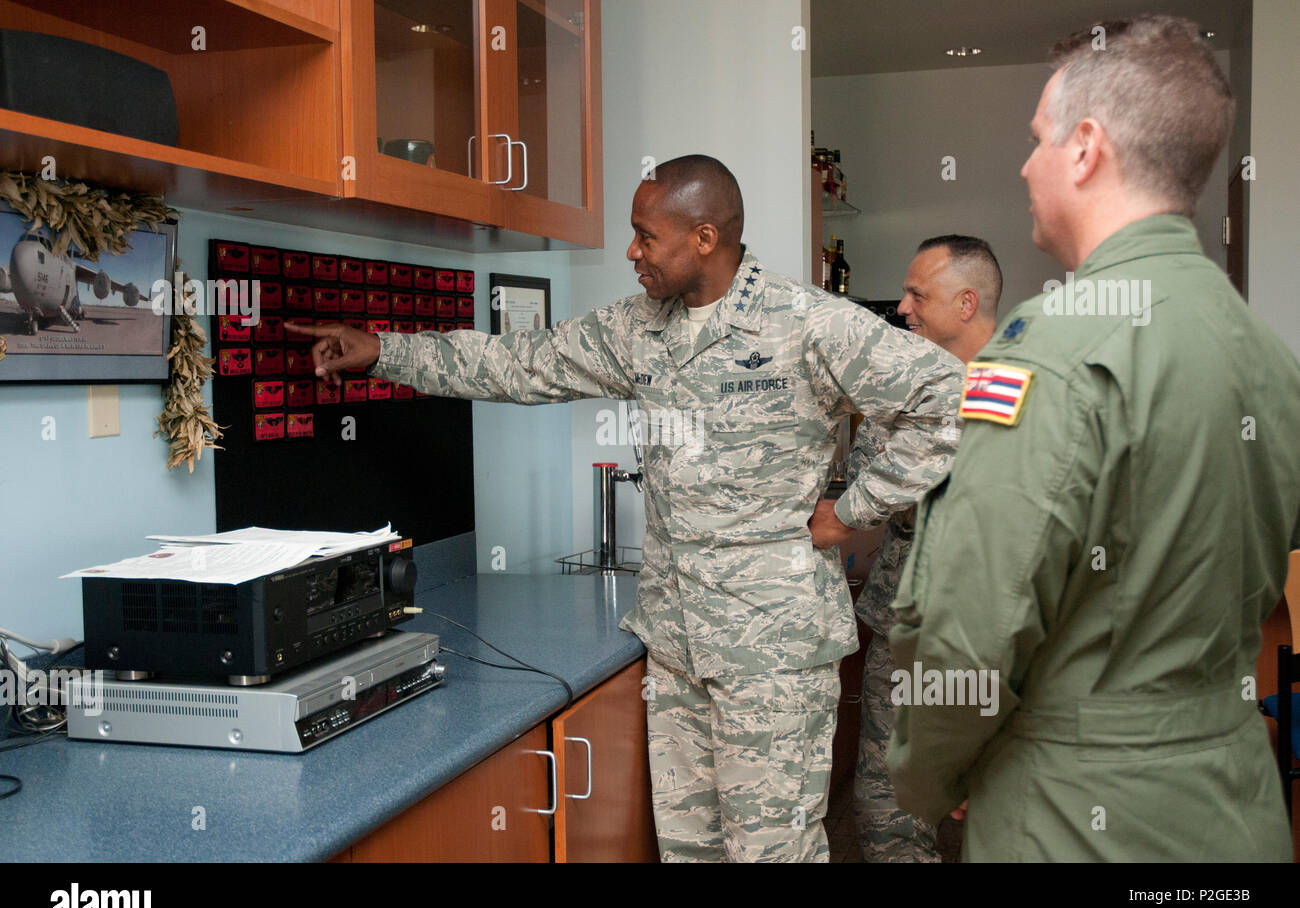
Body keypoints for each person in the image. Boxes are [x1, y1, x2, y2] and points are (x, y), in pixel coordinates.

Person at [288, 155, 964, 862]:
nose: (632, 251)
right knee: (689, 853)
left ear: (705, 237)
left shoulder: (808, 324)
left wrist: (853, 509)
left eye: (646, 235)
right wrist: (385, 353)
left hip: (773, 654)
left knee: (774, 855)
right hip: (676, 645)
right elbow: (521, 362)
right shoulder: (639, 328)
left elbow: (959, 401)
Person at [887, 15, 1300, 861]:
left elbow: (973, 629)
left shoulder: (1052, 348)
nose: (1026, 164)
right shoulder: (1263, 352)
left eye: (1038, 140)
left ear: (1085, 148)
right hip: (1231, 803)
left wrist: (928, 780)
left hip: (1078, 814)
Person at [851, 234, 1000, 862]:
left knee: (1007, 799)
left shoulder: (1021, 385)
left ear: (966, 303)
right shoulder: (902, 387)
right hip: (903, 619)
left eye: (918, 294)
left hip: (995, 628)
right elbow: (865, 481)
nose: (902, 307)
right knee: (887, 799)